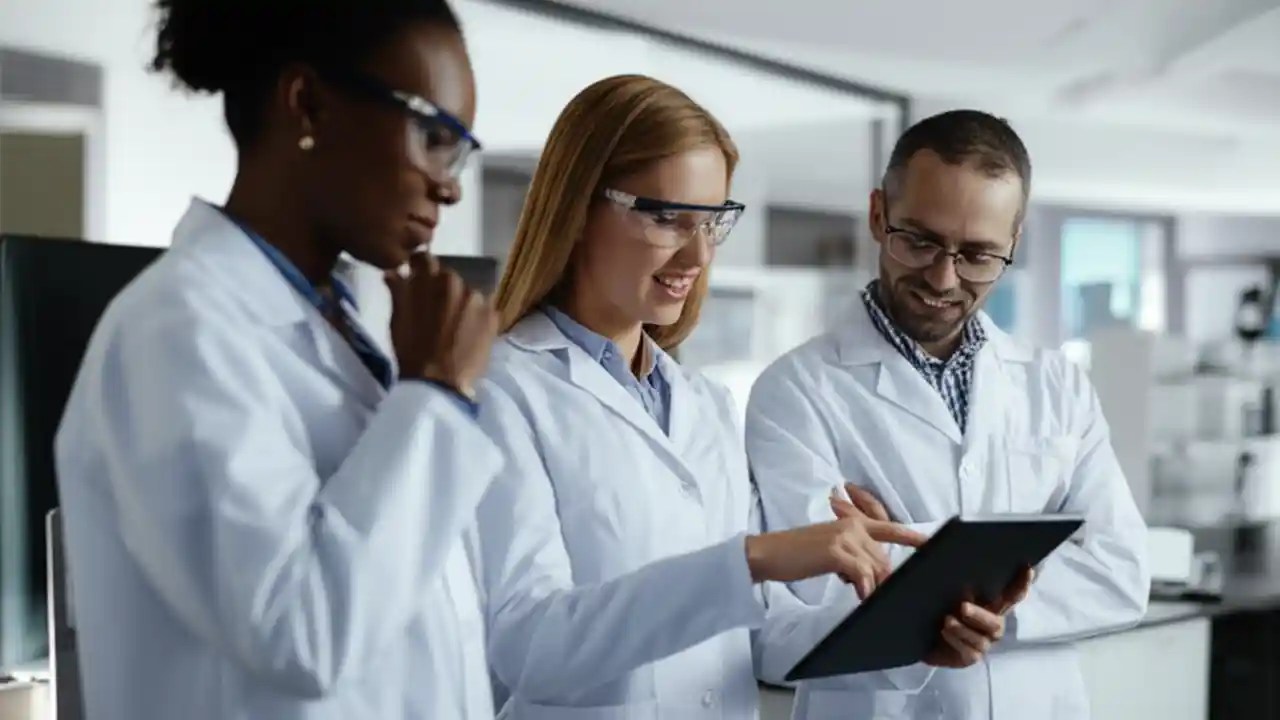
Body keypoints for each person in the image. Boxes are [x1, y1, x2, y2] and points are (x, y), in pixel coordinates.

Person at [472, 76, 1020, 719]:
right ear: (578, 207)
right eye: (667, 217)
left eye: (713, 222)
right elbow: (530, 647)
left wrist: (910, 629)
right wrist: (752, 560)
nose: (698, 254)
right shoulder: (501, 388)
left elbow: (760, 642)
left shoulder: (701, 402)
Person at [53, 2, 503, 718]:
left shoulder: (364, 327)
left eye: (459, 151)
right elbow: (302, 632)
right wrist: (437, 394)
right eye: (431, 135)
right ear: (309, 104)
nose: (450, 185)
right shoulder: (177, 330)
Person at [745, 109, 1151, 719]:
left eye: (979, 255)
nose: (943, 276)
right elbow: (809, 597)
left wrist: (917, 553)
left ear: (1013, 244)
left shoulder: (1057, 383)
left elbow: (1120, 575)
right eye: (921, 240)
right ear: (879, 215)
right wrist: (1023, 555)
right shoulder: (796, 390)